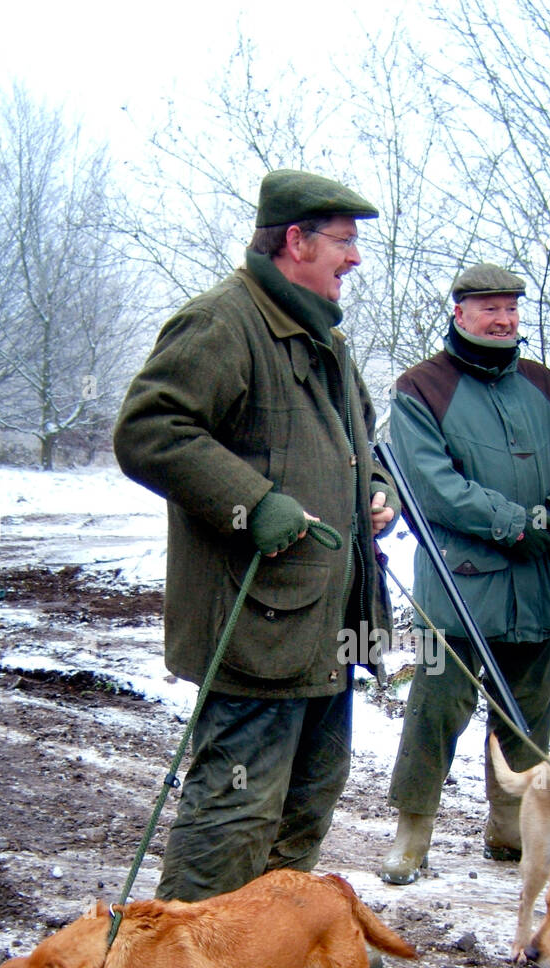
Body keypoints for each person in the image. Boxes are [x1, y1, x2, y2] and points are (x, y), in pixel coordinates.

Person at [114, 169, 397, 903]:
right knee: (234, 814)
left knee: (305, 809)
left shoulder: (324, 341)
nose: (356, 258)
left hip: (326, 630)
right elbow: (149, 431)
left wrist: (374, 491)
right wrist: (254, 502)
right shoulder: (223, 322)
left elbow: (360, 448)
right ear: (296, 241)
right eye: (344, 242)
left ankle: (251, 966)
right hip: (256, 630)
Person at [380, 262, 550, 884]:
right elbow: (433, 484)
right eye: (489, 309)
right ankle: (412, 834)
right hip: (458, 585)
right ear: (460, 313)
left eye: (511, 308)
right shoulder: (421, 387)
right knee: (435, 709)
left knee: (528, 718)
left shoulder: (544, 385)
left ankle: (510, 831)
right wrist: (516, 522)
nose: (503, 320)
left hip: (539, 583)